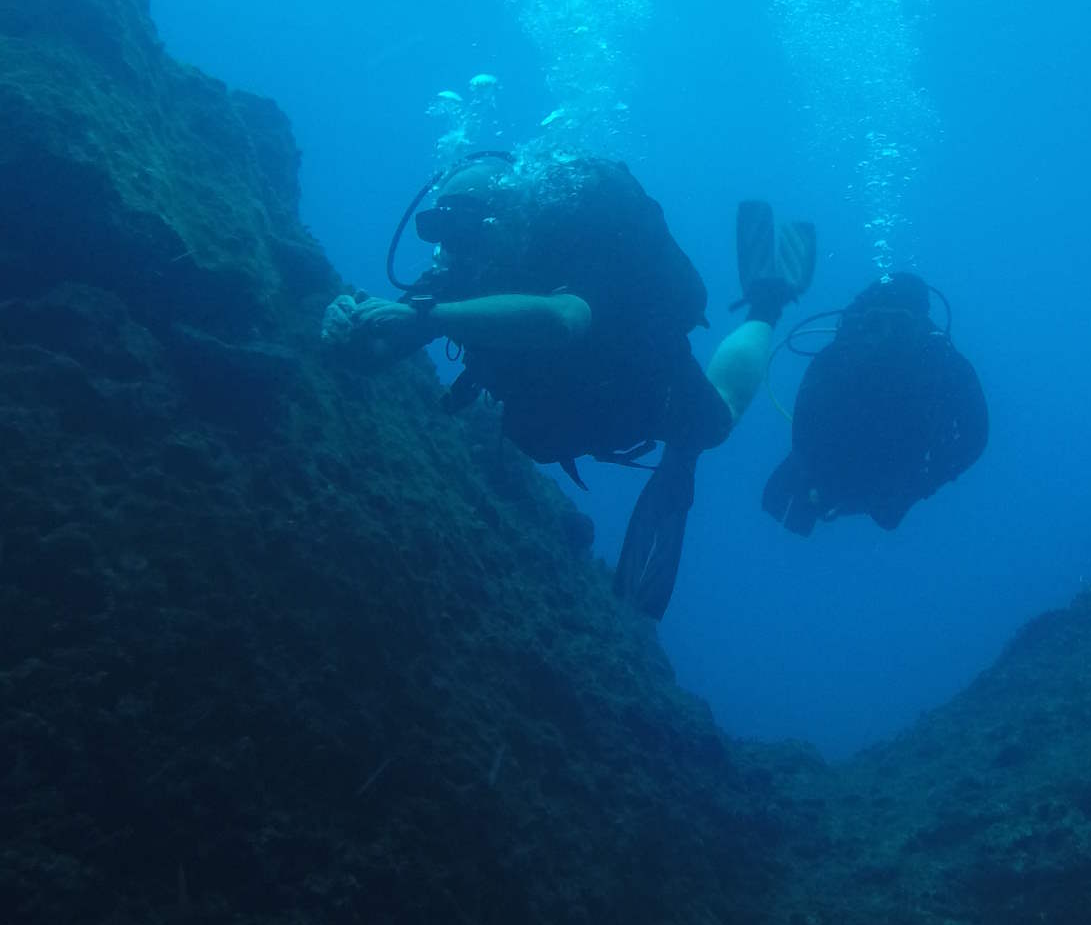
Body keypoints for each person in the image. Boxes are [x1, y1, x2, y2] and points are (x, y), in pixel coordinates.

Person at [322, 149, 813, 619]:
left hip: (641, 388)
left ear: (506, 218)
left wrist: (429, 317)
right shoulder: (458, 271)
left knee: (717, 422)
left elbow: (564, 319)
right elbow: (380, 351)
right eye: (439, 228)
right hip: (560, 413)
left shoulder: (577, 246)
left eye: (465, 228)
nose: (451, 249)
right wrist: (351, 330)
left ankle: (766, 305)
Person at [761, 271, 987, 535]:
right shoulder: (840, 355)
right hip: (831, 467)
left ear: (920, 326)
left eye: (900, 326)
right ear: (864, 322)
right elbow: (804, 421)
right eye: (876, 323)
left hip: (900, 474)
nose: (888, 335)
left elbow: (975, 435)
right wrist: (812, 475)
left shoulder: (944, 363)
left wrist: (921, 486)